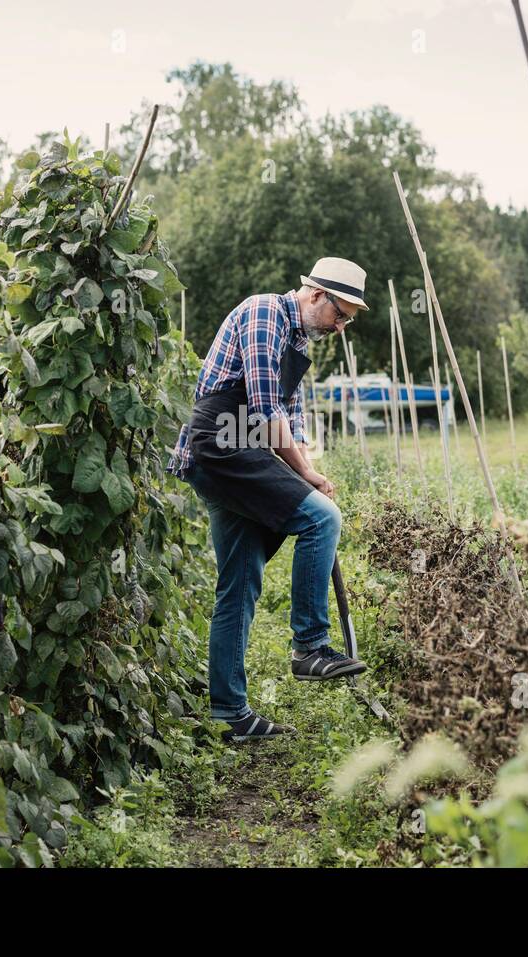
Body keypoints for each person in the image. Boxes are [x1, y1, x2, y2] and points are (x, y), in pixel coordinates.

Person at [168, 258, 370, 742]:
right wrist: (304, 474)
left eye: (347, 322)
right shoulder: (264, 314)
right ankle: (310, 646)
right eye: (340, 315)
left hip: (244, 448)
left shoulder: (297, 343)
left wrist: (307, 471)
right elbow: (263, 404)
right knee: (322, 520)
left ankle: (231, 717)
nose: (340, 328)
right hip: (221, 439)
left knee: (239, 584)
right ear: (317, 294)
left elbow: (291, 419)